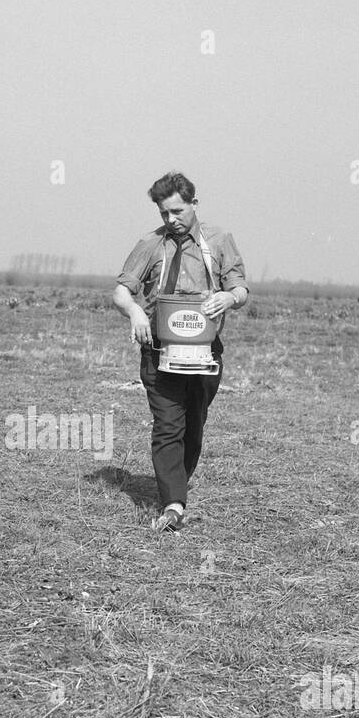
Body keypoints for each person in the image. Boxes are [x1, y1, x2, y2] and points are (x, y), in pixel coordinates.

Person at [112, 171, 249, 531]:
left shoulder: (220, 241)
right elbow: (121, 291)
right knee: (167, 425)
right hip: (160, 351)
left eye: (176, 211)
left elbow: (241, 289)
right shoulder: (150, 244)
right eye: (163, 214)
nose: (170, 220)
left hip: (205, 353)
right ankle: (173, 504)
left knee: (193, 426)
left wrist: (228, 297)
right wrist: (135, 310)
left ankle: (176, 482)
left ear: (193, 204)